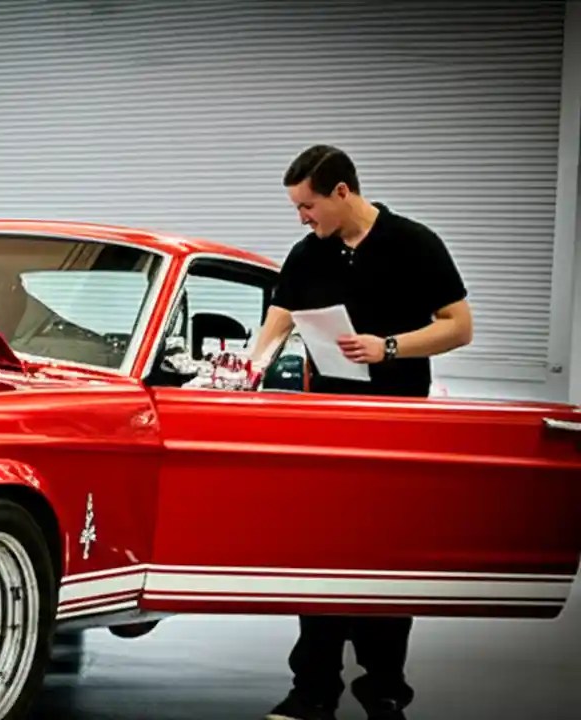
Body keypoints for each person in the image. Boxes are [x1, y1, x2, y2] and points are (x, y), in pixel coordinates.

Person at [248, 145, 475, 720]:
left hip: (398, 421)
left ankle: (384, 688)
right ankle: (313, 689)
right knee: (321, 551)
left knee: (386, 553)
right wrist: (250, 364)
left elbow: (459, 327)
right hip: (328, 423)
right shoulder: (307, 254)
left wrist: (388, 346)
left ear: (342, 193)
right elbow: (279, 318)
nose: (302, 217)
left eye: (307, 206)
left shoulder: (415, 244)